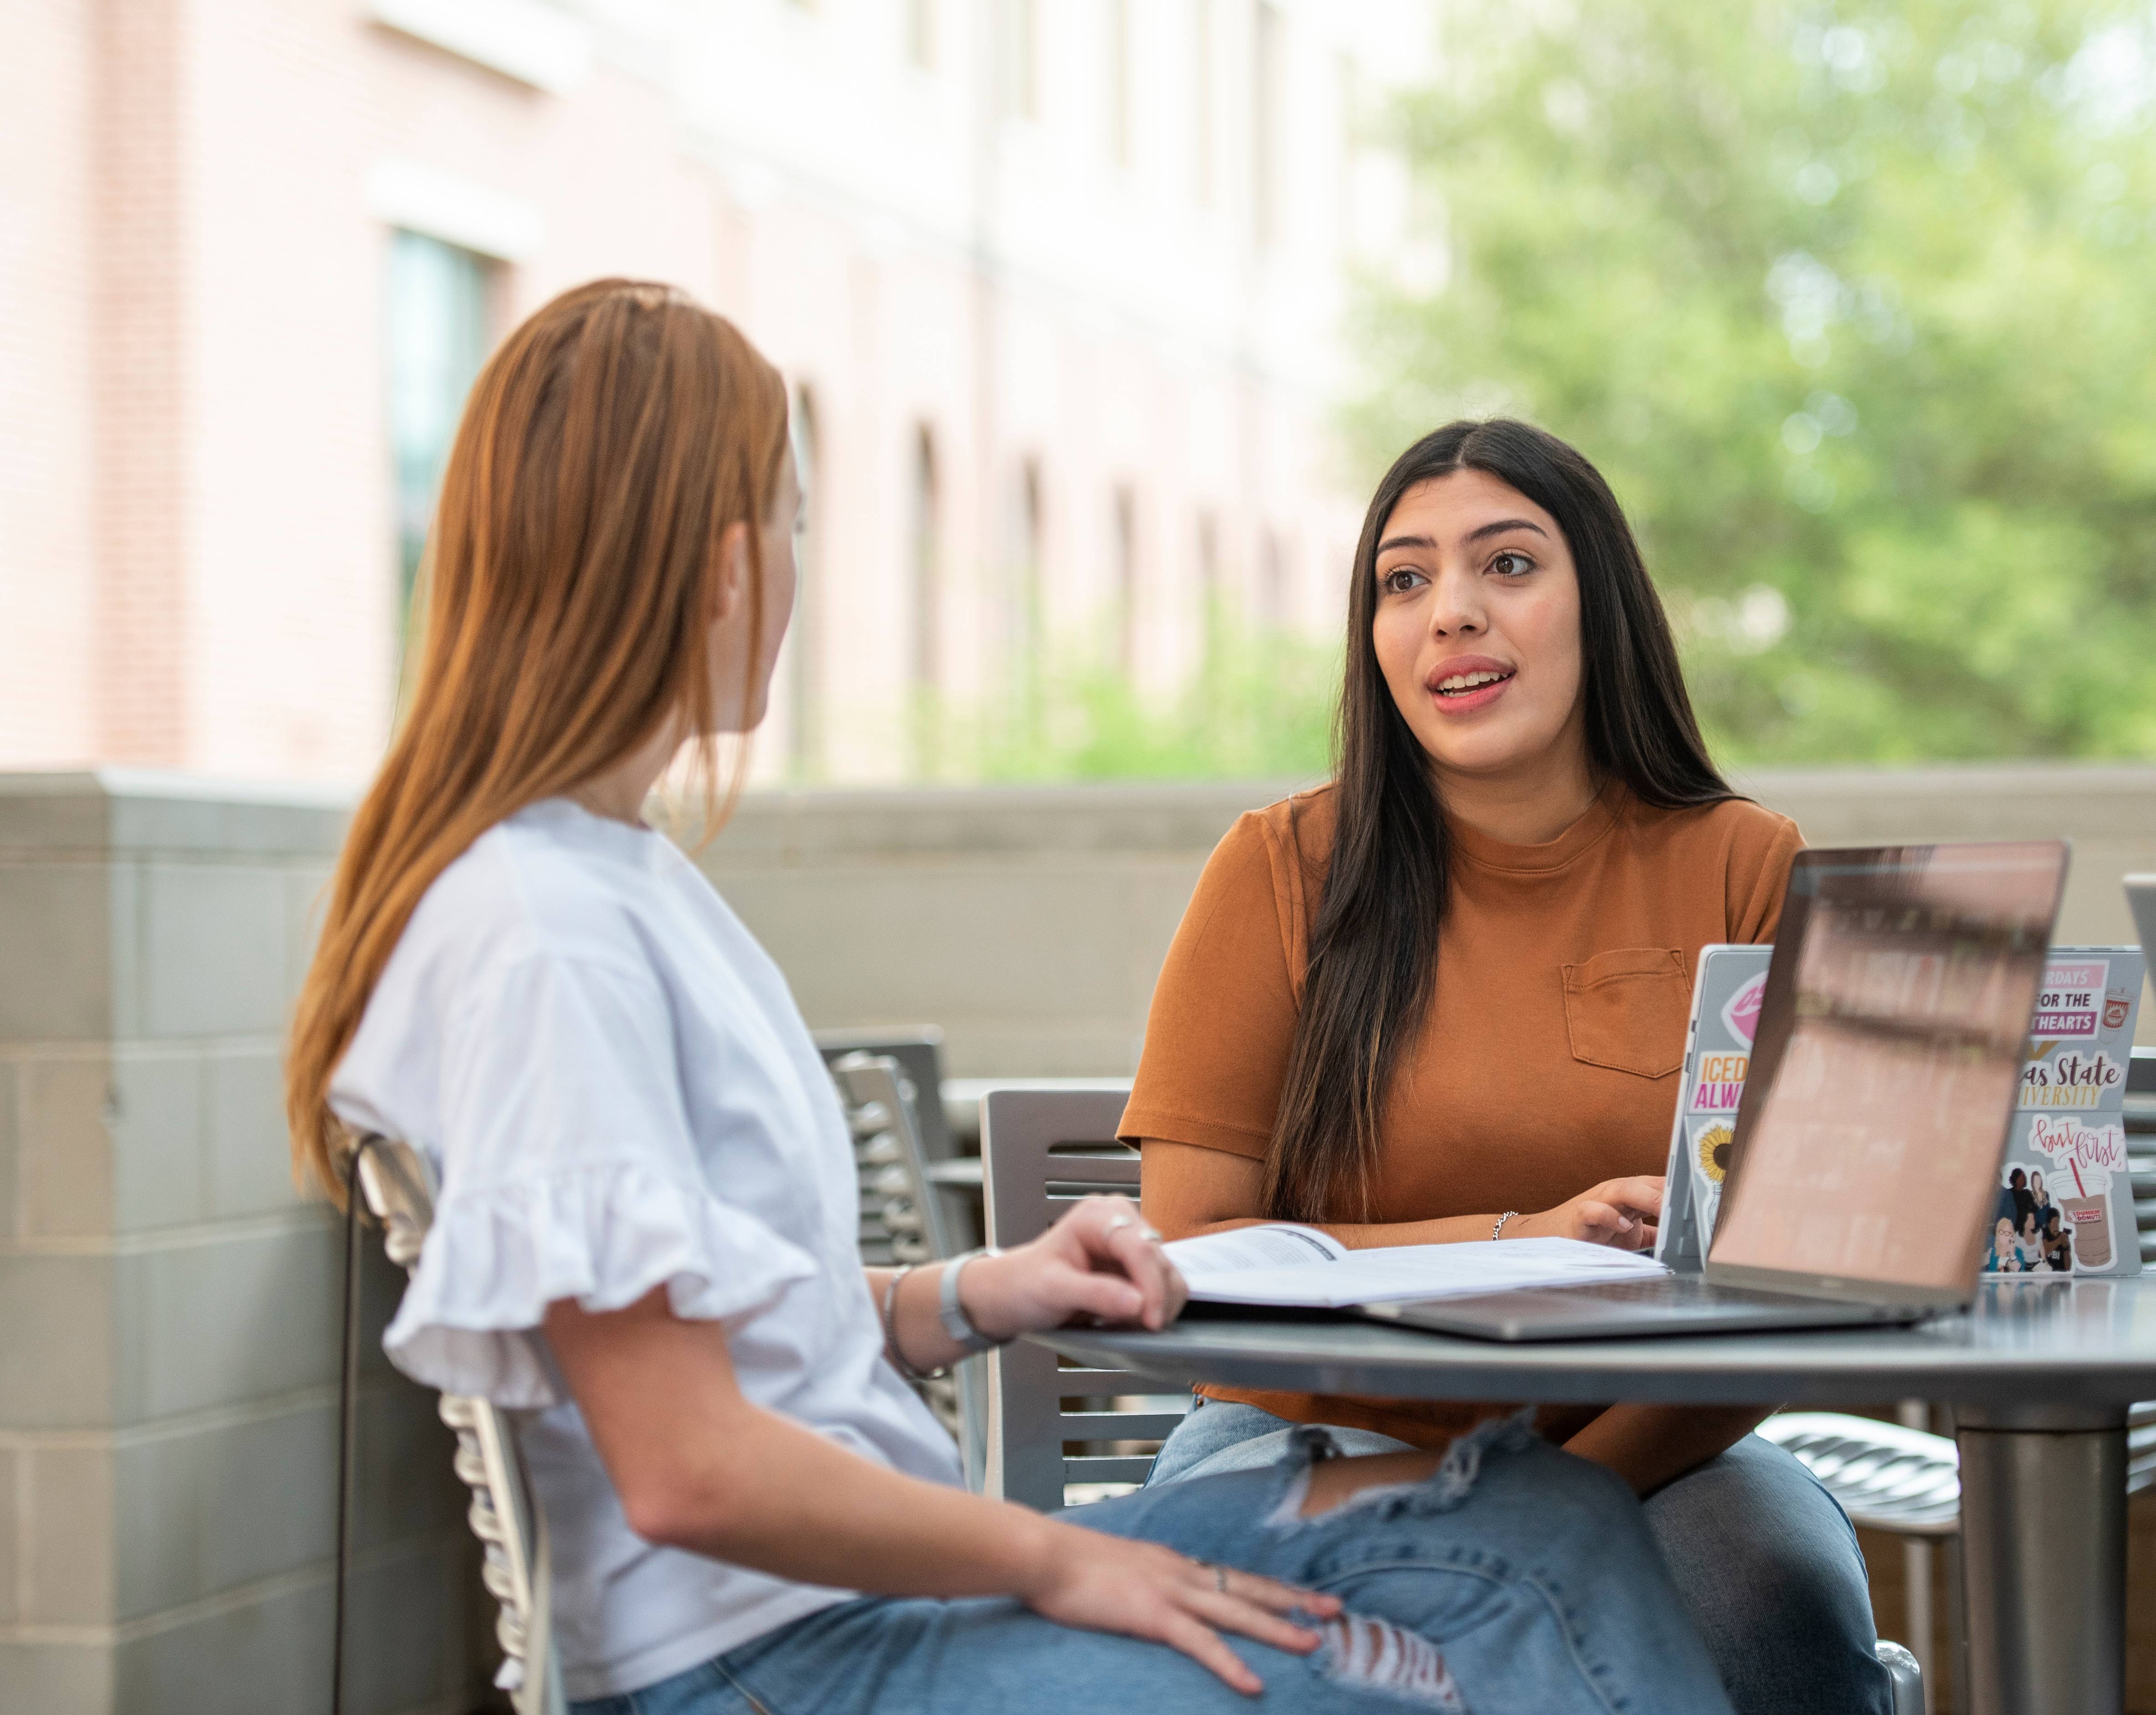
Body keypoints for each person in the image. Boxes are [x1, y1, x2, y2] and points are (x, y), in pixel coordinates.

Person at [282, 288, 1732, 1715]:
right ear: (722, 564)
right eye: (793, 521)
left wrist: (973, 1293)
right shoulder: (546, 933)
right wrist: (1060, 1561)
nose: (799, 567)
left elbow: (706, 1317)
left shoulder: (620, 879)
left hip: (871, 1605)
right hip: (781, 1661)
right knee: (1475, 1621)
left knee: (1556, 1525)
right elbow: (688, 1468)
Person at [1127, 419, 1890, 1714]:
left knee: (1775, 1607)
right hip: (1308, 1429)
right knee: (1285, 1652)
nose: (1451, 616)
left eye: (1508, 566)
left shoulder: (1742, 864)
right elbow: (1193, 1236)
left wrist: (1566, 1492)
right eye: (1404, 580)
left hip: (1662, 1445)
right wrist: (1513, 1234)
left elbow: (1794, 1266)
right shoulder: (1275, 868)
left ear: (1603, 606)